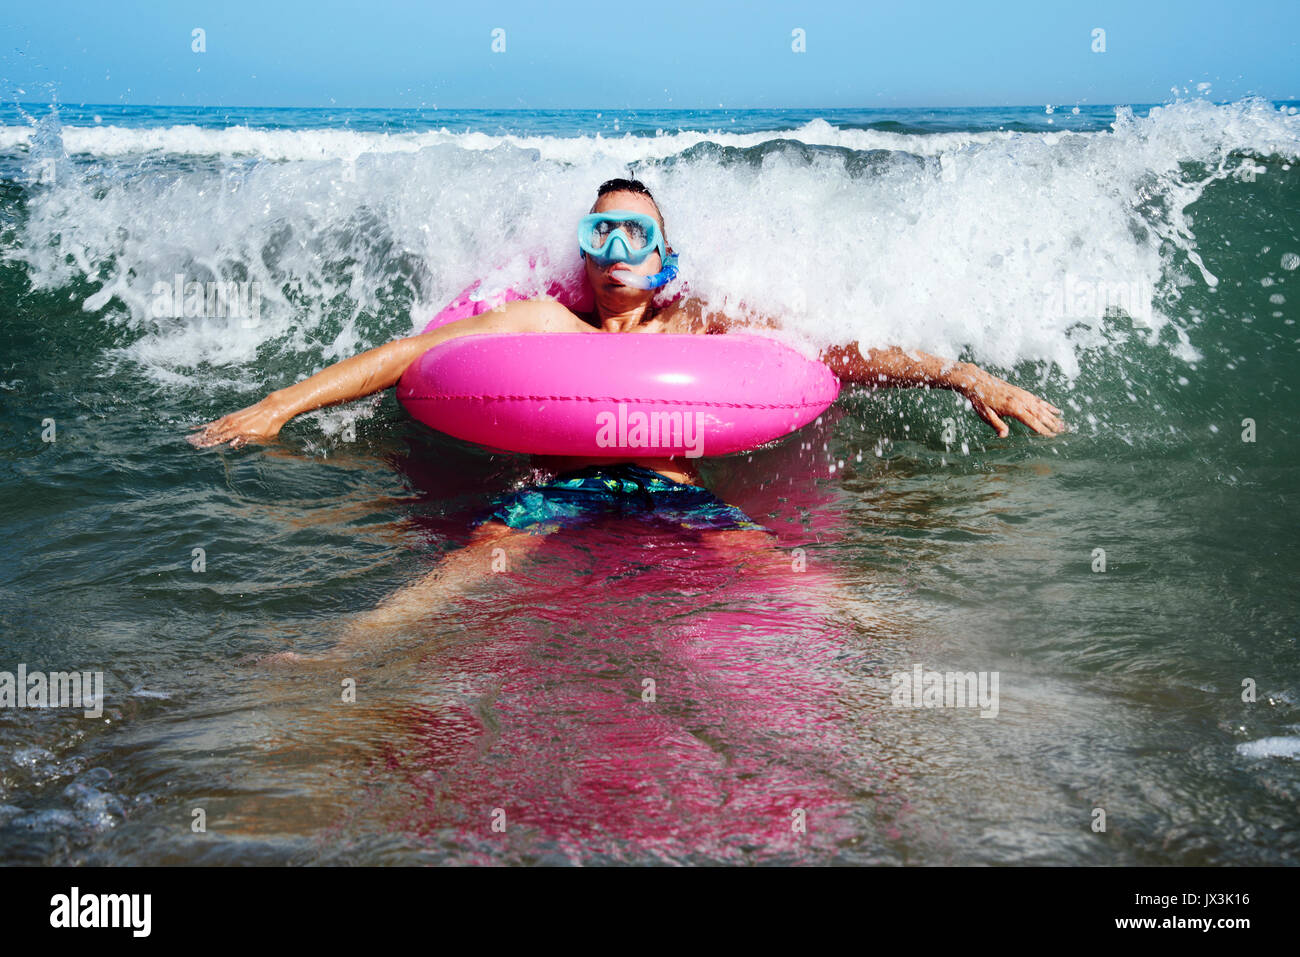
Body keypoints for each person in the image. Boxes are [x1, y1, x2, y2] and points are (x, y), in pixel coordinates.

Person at [192, 178, 1065, 650]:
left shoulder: (698, 324)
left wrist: (961, 377)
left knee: (765, 560)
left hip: (668, 485)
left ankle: (924, 645)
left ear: (664, 256)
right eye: (599, 232)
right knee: (484, 555)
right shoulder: (548, 321)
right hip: (558, 486)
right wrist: (279, 405)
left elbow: (835, 353)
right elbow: (413, 355)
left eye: (634, 235)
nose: (614, 251)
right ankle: (342, 657)